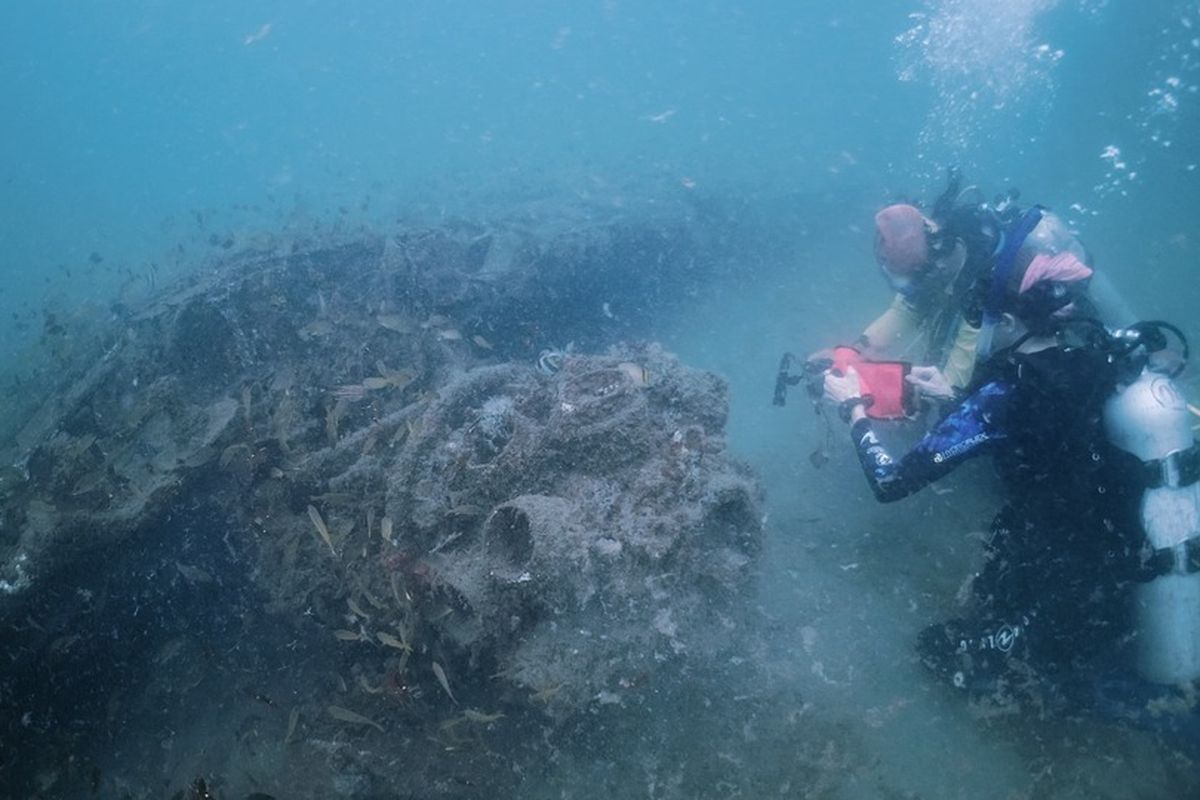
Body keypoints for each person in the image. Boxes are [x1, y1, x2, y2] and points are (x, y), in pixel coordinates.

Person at [824, 247, 1145, 708]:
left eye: (985, 319)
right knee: (993, 607)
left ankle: (1096, 696)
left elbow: (891, 482)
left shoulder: (1005, 393)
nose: (980, 332)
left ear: (1011, 323)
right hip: (1108, 560)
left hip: (1063, 587)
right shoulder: (1089, 362)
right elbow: (1043, 432)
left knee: (938, 650)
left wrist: (853, 409)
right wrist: (955, 399)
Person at [852, 170, 1134, 405]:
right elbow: (906, 310)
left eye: (912, 283)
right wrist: (855, 352)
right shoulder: (936, 251)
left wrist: (900, 395)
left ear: (936, 267)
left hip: (1054, 326)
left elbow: (955, 380)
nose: (910, 292)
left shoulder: (988, 282)